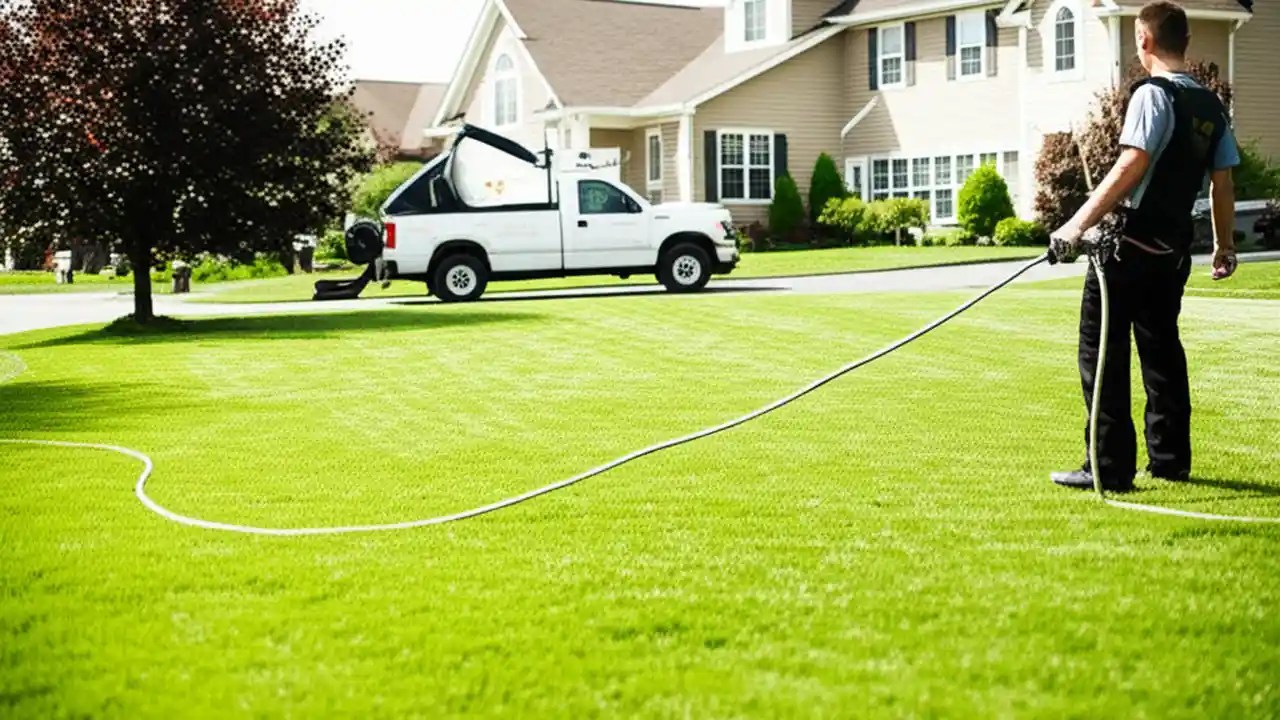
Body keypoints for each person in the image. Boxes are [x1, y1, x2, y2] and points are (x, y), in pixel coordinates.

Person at [1047, 0, 1240, 493]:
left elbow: (1131, 165)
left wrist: (1074, 227)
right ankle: (1170, 459)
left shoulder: (1152, 97)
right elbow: (1222, 182)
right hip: (1172, 250)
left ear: (1144, 41)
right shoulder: (1211, 105)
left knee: (1103, 354)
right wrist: (1223, 245)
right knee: (1162, 352)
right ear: (1187, 43)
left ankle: (1107, 468)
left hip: (1125, 248)